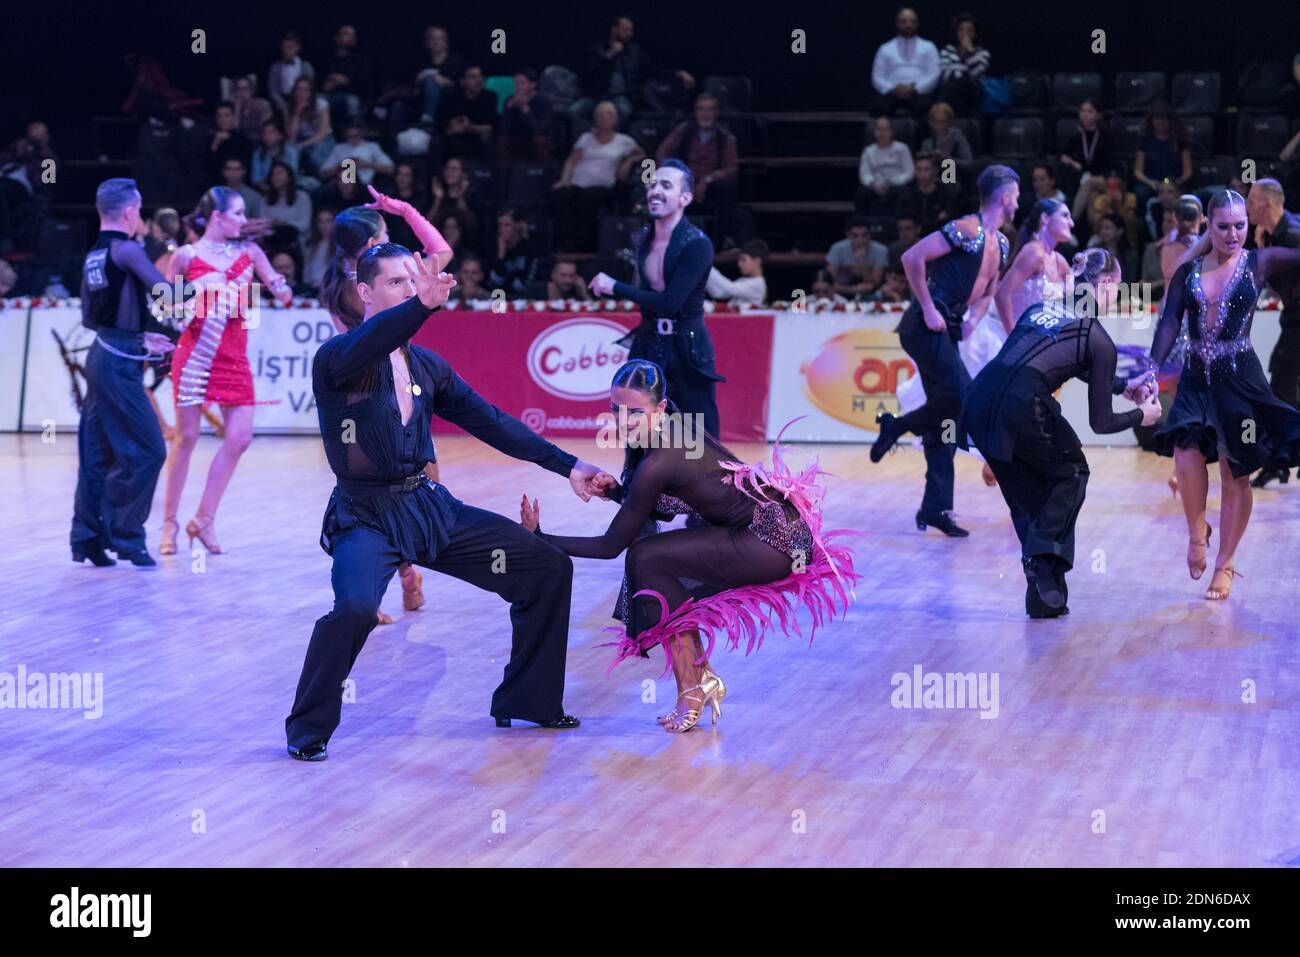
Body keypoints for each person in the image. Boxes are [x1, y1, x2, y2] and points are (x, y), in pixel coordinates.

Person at [284, 243, 613, 760]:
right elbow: (378, 337)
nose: (410, 291)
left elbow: (493, 423)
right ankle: (307, 728)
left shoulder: (428, 367)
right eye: (397, 283)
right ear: (364, 292)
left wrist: (570, 466)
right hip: (365, 517)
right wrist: (423, 307)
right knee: (353, 609)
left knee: (546, 568)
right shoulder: (337, 361)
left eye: (414, 283)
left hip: (426, 507)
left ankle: (528, 700)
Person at [519, 359, 857, 732]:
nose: (623, 420)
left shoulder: (661, 459)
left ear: (660, 408)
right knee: (654, 560)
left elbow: (610, 545)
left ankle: (691, 689)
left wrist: (541, 538)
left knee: (647, 557)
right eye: (617, 410)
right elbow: (657, 508)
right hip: (779, 533)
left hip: (773, 541)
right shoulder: (670, 433)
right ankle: (700, 678)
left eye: (635, 412)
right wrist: (618, 492)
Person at [962, 249, 1161, 617]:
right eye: (1115, 288)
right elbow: (1101, 423)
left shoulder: (1039, 309)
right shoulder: (1096, 335)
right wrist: (1141, 415)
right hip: (1022, 403)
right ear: (1104, 285)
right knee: (1072, 470)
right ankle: (1040, 557)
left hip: (978, 399)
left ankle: (1045, 593)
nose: (1115, 296)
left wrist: (1120, 387)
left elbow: (1067, 358)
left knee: (1029, 494)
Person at [1128, 189, 1300, 600]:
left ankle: (1225, 563)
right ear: (1209, 225)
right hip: (1195, 376)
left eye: (1240, 225)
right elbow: (1169, 322)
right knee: (1185, 451)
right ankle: (1195, 534)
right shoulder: (1188, 272)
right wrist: (1151, 368)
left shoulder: (1261, 260)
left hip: (1240, 381)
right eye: (1223, 226)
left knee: (1233, 472)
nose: (1233, 233)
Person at [319, 188, 454, 623]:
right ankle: (402, 575)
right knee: (403, 486)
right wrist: (408, 208)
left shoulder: (339, 281)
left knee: (376, 494)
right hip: (381, 391)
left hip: (365, 399)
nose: (389, 234)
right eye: (383, 230)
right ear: (370, 245)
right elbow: (441, 250)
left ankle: (390, 580)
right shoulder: (371, 285)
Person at [870, 164, 1019, 537]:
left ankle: (935, 508)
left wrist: (972, 320)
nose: (1018, 202)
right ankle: (897, 425)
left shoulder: (1001, 243)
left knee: (946, 422)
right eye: (1015, 195)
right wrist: (929, 307)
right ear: (1004, 197)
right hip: (924, 324)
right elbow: (911, 258)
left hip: (948, 327)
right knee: (961, 397)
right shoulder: (966, 229)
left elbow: (989, 292)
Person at [159, 187, 293, 556]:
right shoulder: (185, 256)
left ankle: (204, 518)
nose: (242, 220)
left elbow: (277, 296)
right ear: (216, 216)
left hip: (233, 357)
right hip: (195, 356)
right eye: (236, 213)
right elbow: (165, 307)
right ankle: (169, 525)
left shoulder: (249, 252)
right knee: (185, 438)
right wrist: (195, 290)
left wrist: (275, 285)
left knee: (240, 436)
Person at [70, 178, 179, 568]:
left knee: (96, 453)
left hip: (102, 354)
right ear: (131, 213)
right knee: (150, 449)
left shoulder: (94, 254)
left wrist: (138, 337)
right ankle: (128, 538)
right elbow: (169, 294)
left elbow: (89, 316)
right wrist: (211, 284)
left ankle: (87, 539)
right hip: (118, 362)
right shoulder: (128, 249)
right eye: (140, 211)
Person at [587, 160, 725, 438]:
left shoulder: (698, 244)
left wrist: (615, 286)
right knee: (636, 420)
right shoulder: (642, 239)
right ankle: (637, 478)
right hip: (648, 340)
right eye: (652, 184)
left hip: (686, 345)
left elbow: (669, 303)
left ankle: (710, 480)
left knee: (698, 431)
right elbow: (649, 293)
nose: (655, 190)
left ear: (685, 198)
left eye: (666, 185)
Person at [1246, 179, 1300, 487]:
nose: (1247, 207)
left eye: (1252, 201)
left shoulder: (1292, 235)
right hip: (1293, 319)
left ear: (1267, 204)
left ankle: (1278, 461)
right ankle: (1280, 461)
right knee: (1282, 386)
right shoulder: (1275, 234)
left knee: (1280, 388)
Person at [551, 100, 643, 251]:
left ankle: (585, 246)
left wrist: (629, 161)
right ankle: (563, 244)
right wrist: (564, 179)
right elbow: (571, 161)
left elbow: (644, 156)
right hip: (577, 183)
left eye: (608, 113)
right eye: (600, 113)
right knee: (559, 195)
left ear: (616, 119)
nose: (604, 117)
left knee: (588, 199)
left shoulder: (624, 141)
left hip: (602, 186)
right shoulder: (586, 138)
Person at [656, 93, 741, 246]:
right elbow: (662, 153)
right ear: (695, 112)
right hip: (684, 180)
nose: (705, 114)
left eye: (710, 109)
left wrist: (707, 180)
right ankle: (665, 239)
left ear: (716, 113)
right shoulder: (684, 131)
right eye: (701, 109)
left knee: (727, 187)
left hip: (711, 184)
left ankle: (725, 240)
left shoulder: (726, 137)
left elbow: (731, 168)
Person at [994, 198, 1074, 334]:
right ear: (1046, 218)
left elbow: (1073, 302)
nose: (1071, 223)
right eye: (1065, 215)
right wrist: (1013, 338)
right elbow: (1002, 294)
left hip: (1038, 341)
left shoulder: (1059, 261)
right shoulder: (1034, 252)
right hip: (1014, 336)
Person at [869, 7, 940, 118]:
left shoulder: (929, 47)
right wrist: (893, 89)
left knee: (926, 107)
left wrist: (916, 89)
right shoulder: (885, 48)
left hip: (918, 93)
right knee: (877, 106)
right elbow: (876, 77)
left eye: (912, 21)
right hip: (892, 93)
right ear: (897, 24)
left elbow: (934, 75)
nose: (908, 25)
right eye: (903, 21)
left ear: (917, 24)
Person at [1059, 99, 1113, 224]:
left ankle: (1069, 223)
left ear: (1099, 115)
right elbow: (1062, 155)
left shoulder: (1106, 136)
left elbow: (1109, 164)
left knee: (1089, 183)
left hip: (1105, 178)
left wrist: (1081, 167)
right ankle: (1094, 233)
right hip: (1086, 179)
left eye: (1090, 111)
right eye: (1082, 111)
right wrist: (1071, 162)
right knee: (1092, 195)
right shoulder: (1078, 136)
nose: (1085, 114)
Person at [856, 116, 914, 217]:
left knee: (904, 193)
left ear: (892, 132)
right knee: (862, 193)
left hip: (896, 185)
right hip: (875, 186)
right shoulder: (868, 151)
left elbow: (910, 172)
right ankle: (863, 224)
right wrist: (873, 184)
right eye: (879, 129)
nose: (882, 133)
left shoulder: (902, 148)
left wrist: (893, 181)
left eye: (885, 129)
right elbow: (864, 173)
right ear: (874, 132)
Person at [937, 13, 989, 116]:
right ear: (956, 32)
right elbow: (945, 76)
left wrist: (969, 53)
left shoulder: (982, 53)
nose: (965, 33)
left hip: (973, 93)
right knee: (953, 86)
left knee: (963, 82)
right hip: (950, 93)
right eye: (961, 29)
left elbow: (975, 74)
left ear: (975, 33)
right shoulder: (947, 51)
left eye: (969, 30)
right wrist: (964, 72)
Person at [826, 215, 888, 298]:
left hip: (869, 294)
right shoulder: (837, 249)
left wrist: (863, 264)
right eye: (855, 235)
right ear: (848, 235)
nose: (860, 240)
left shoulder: (881, 250)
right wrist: (852, 289)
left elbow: (876, 283)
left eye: (864, 235)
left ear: (870, 234)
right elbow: (827, 282)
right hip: (841, 293)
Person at [706, 239, 767, 306]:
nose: (739, 264)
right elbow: (718, 293)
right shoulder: (745, 280)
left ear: (757, 261)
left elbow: (729, 288)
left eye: (743, 259)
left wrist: (707, 266)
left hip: (747, 316)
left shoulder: (757, 284)